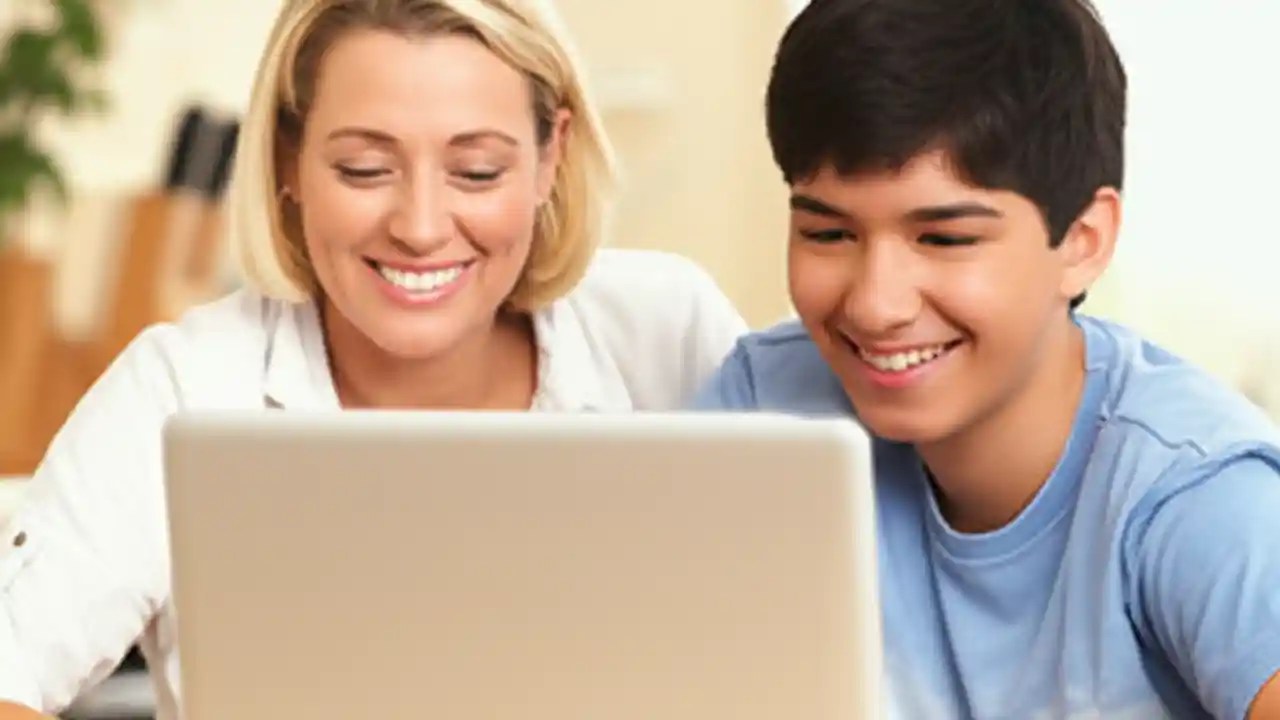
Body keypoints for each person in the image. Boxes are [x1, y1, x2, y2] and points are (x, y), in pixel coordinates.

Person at [0, 0, 747, 717]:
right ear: (287, 159)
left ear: (552, 155)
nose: (420, 228)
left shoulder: (666, 336)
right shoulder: (185, 387)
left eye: (477, 171)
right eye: (364, 169)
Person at [694, 0, 1280, 718]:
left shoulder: (1201, 498)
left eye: (944, 240)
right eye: (827, 233)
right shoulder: (764, 409)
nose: (876, 305)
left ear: (1084, 240)